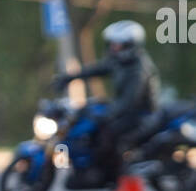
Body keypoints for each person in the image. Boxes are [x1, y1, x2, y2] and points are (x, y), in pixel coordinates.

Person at [52, 20, 161, 173]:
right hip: (126, 111)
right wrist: (69, 77)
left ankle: (116, 173)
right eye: (111, 44)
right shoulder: (120, 62)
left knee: (109, 134)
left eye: (117, 44)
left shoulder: (138, 69)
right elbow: (97, 69)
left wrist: (108, 114)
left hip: (140, 115)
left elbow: (129, 101)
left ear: (130, 44)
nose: (112, 48)